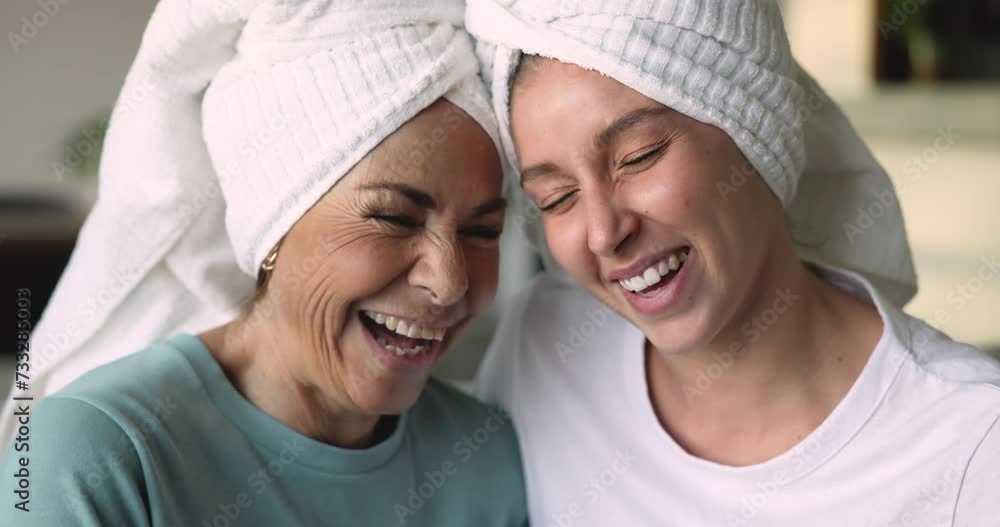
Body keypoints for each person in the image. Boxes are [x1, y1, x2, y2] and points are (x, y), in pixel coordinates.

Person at [466, 0, 1000, 525]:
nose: (604, 233)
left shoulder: (972, 448)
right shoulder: (541, 350)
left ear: (754, 127)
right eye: (558, 198)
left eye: (640, 156)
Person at [0, 0, 527, 525]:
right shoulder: (99, 453)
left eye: (482, 231)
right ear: (272, 229)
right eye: (393, 218)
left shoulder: (489, 455)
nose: (450, 281)